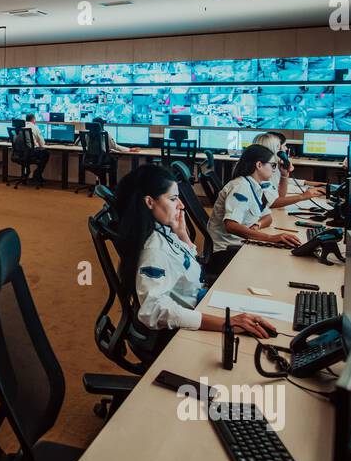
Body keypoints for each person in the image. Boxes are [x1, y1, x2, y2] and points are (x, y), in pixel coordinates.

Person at [116, 164, 276, 338]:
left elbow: (187, 266)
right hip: (186, 323)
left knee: (263, 311)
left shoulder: (161, 231)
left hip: (199, 300)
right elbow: (152, 310)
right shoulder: (154, 250)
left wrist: (182, 235)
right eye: (173, 199)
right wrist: (226, 323)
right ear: (149, 202)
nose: (181, 205)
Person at [206, 143, 303, 274]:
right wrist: (270, 238)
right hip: (228, 251)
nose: (275, 170)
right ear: (259, 165)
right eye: (272, 165)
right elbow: (231, 225)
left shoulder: (255, 186)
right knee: (281, 267)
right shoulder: (241, 187)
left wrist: (257, 224)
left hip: (242, 244)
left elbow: (267, 217)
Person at [253, 132, 323, 208]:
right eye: (278, 147)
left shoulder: (268, 168)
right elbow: (271, 203)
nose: (283, 150)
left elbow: (279, 196)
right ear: (271, 150)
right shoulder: (259, 172)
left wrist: (284, 175)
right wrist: (302, 196)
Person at [84, 119, 127, 189]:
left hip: (92, 159)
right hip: (102, 160)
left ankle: (103, 186)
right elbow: (115, 146)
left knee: (101, 167)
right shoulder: (105, 134)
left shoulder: (87, 135)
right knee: (113, 161)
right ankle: (113, 187)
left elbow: (89, 147)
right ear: (101, 125)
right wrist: (129, 149)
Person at [21, 113, 50, 185]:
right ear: (33, 120)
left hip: (21, 154)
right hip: (32, 154)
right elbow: (42, 143)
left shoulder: (21, 126)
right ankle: (37, 174)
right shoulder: (34, 127)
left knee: (29, 157)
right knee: (46, 153)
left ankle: (27, 174)